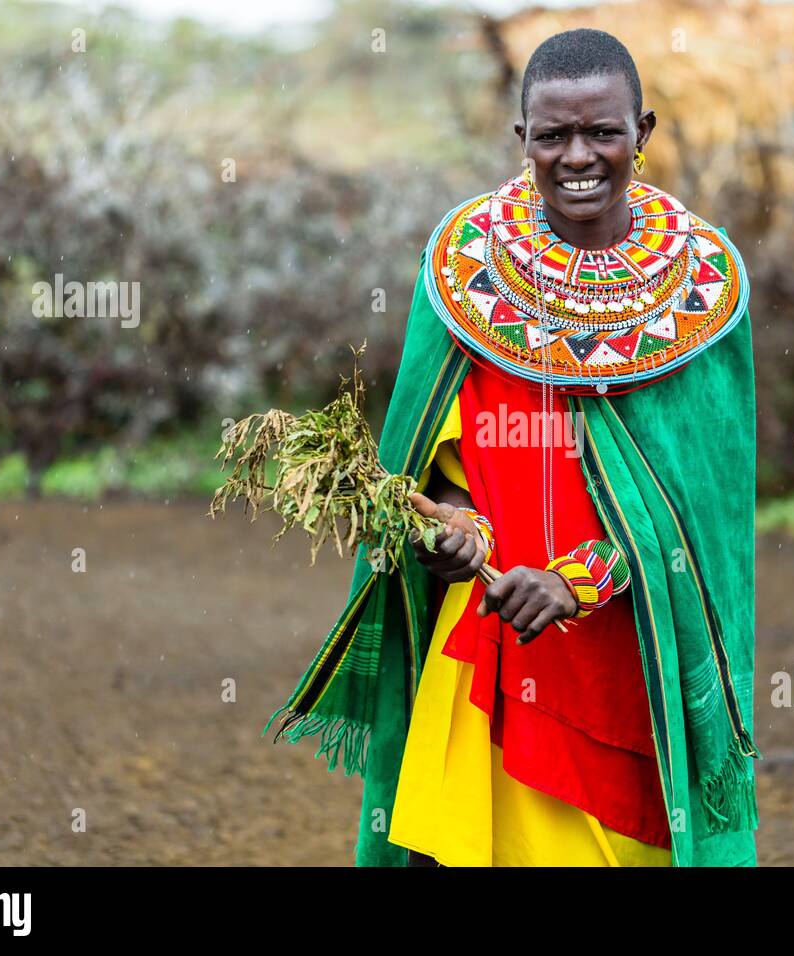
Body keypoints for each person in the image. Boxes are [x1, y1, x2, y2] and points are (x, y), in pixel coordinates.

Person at [267, 27, 761, 867]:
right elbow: (435, 467)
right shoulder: (464, 273)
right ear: (521, 139)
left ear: (643, 132)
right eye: (552, 135)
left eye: (602, 132)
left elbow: (699, 523)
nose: (578, 156)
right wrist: (454, 533)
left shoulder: (705, 288)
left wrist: (576, 582)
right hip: (486, 644)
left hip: (624, 665)